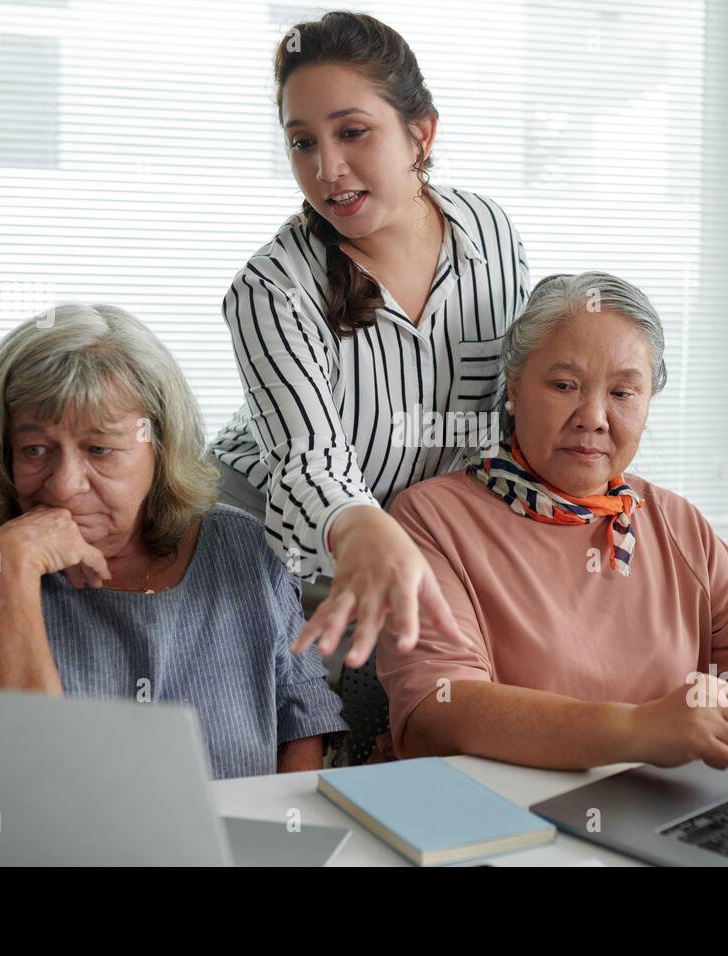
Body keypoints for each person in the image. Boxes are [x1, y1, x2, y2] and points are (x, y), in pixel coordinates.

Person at [377, 273, 728, 770]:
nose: (593, 417)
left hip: (666, 808)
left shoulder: (676, 524)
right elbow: (436, 714)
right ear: (513, 386)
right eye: (564, 385)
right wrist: (638, 729)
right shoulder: (430, 519)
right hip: (510, 817)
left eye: (623, 393)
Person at [211, 11, 530, 670]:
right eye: (302, 143)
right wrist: (362, 527)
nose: (327, 169)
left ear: (420, 134)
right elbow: (309, 465)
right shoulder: (272, 287)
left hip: (409, 548)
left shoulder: (490, 232)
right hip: (265, 548)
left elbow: (503, 412)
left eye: (353, 132)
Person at [0, 304, 347, 778]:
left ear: (160, 447)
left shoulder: (245, 545)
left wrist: (286, 837)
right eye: (34, 449)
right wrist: (11, 570)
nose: (63, 486)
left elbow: (302, 716)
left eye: (99, 449)